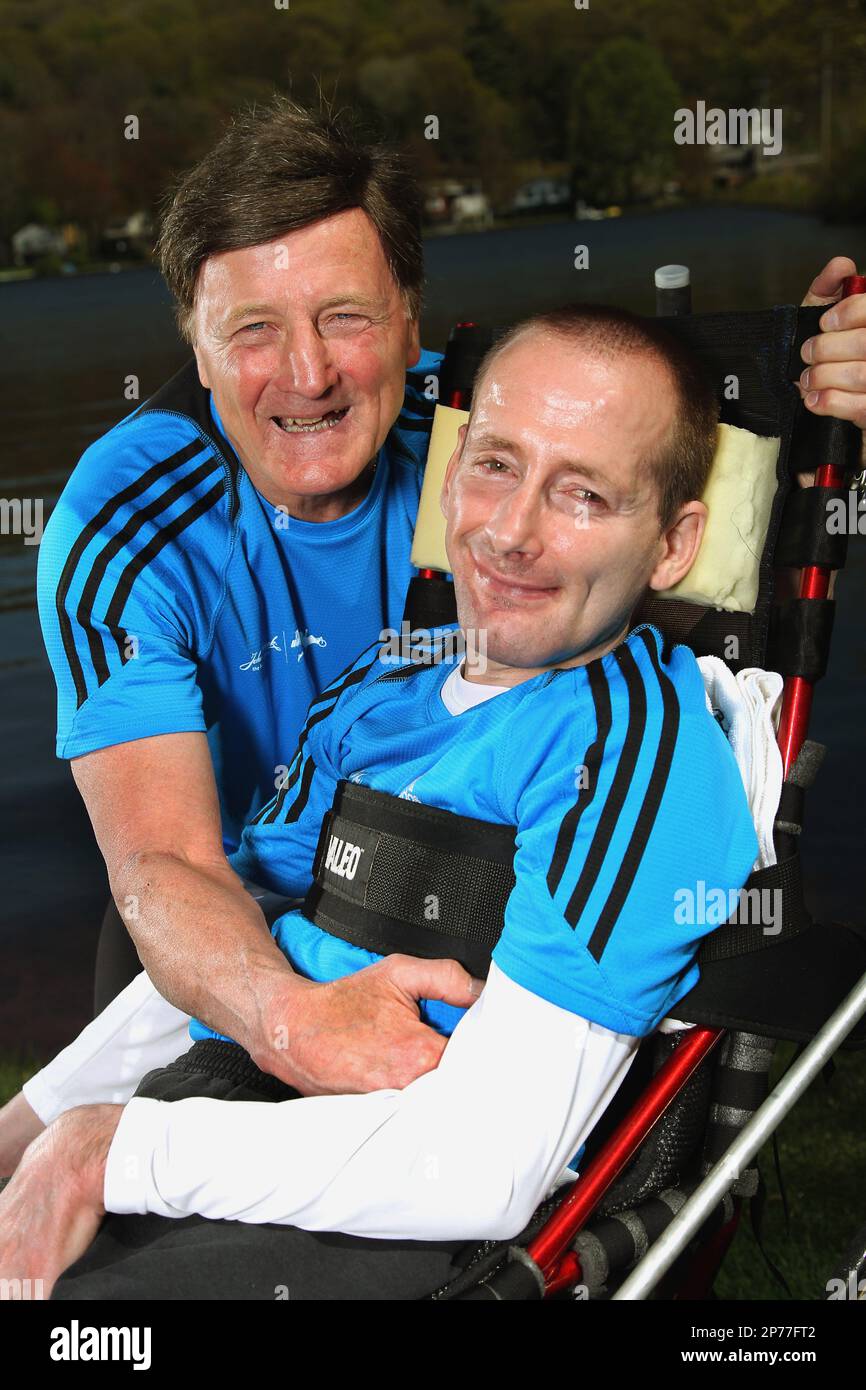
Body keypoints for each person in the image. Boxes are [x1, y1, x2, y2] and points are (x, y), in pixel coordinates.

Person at [2, 83, 866, 1171]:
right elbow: (165, 863)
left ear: (412, 315)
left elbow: (638, 508)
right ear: (195, 341)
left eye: (346, 317)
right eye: (253, 330)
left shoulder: (468, 433)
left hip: (464, 889)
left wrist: (802, 399)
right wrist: (287, 1018)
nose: (307, 375)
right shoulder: (120, 525)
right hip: (230, 905)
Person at [2, 304, 763, 1300]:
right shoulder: (381, 685)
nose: (511, 531)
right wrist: (35, 1123)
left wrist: (105, 1152)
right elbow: (238, 941)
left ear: (671, 544)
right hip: (226, 1112)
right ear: (448, 475)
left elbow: (484, 1168)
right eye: (493, 464)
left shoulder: (625, 751)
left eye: (580, 493)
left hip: (406, 1202)